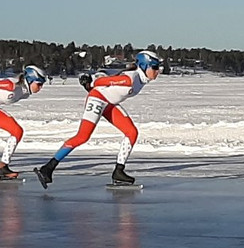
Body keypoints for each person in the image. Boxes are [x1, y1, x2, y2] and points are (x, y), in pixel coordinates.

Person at [33, 50, 160, 187]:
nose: (157, 71)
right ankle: (47, 168)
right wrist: (90, 85)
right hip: (98, 99)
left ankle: (119, 172)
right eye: (155, 67)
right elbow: (102, 81)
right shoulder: (130, 79)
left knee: (132, 132)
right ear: (144, 66)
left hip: (109, 103)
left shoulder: (140, 78)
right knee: (83, 136)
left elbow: (111, 79)